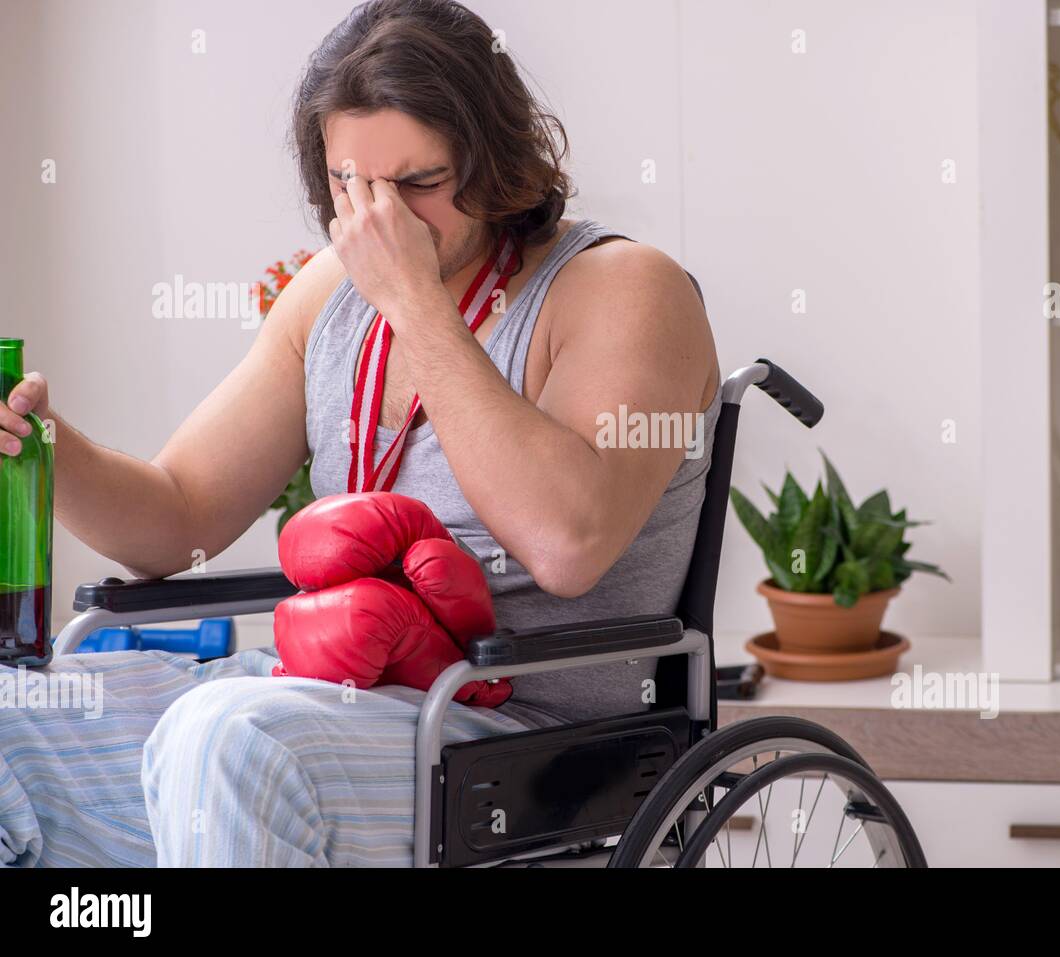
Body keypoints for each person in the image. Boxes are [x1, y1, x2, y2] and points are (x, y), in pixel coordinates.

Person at [0, 0, 718, 866]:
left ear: (497, 161)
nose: (384, 221)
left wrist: (415, 303)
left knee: (231, 741)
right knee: (19, 719)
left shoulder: (624, 287)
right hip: (327, 696)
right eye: (350, 184)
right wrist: (40, 438)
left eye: (418, 183)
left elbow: (567, 544)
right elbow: (177, 519)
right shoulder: (328, 300)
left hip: (525, 735)